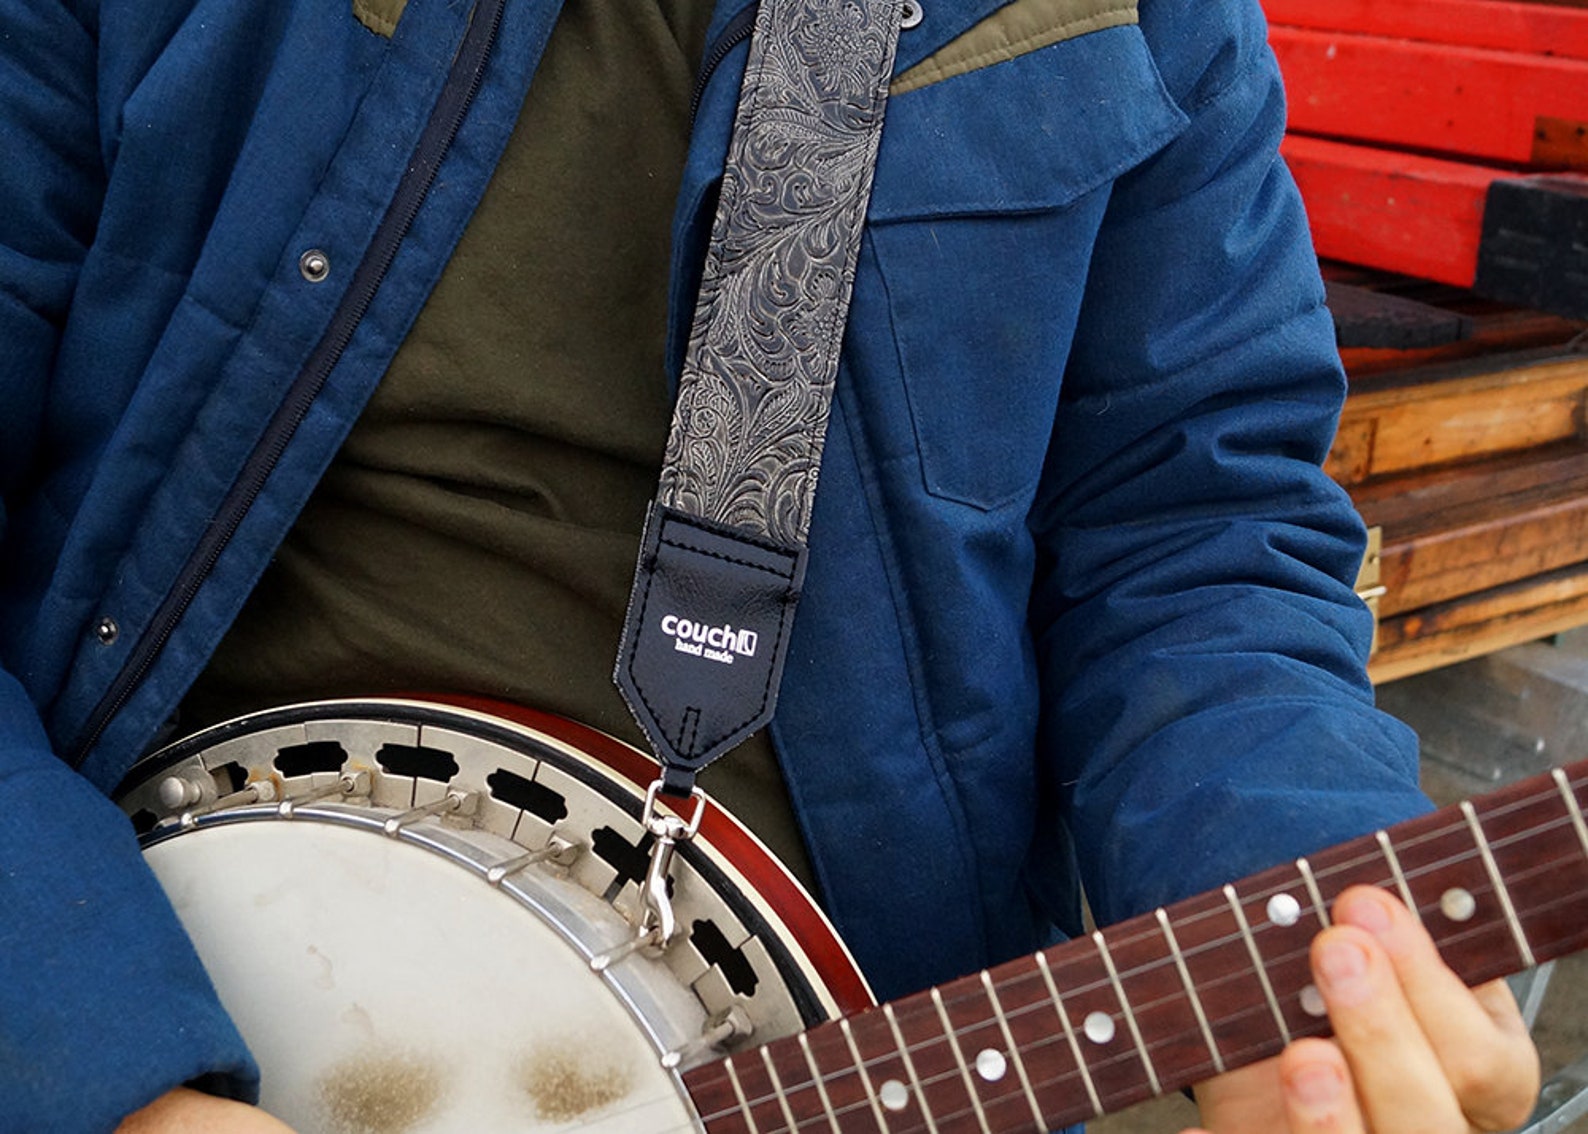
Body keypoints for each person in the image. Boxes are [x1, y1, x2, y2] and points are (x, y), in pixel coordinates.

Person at [0, 0, 1542, 1130]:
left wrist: (1304, 922)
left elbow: (1195, 535)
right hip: (171, 993)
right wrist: (100, 1068)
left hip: (878, 1064)